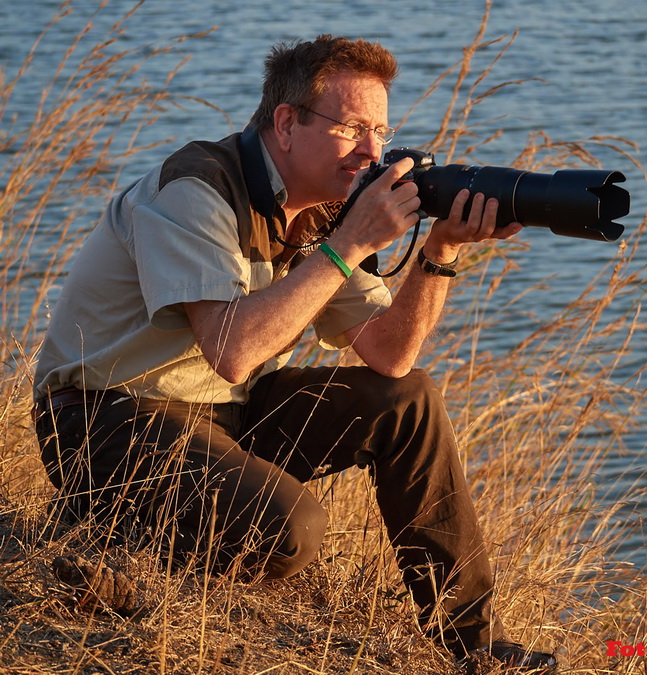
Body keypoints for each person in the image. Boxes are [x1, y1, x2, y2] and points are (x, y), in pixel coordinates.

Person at [32, 35, 559, 672]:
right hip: (103, 417)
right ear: (287, 123)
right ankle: (114, 544)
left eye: (383, 132)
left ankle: (477, 646)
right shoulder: (195, 188)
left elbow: (390, 354)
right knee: (291, 529)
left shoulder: (323, 209)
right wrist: (350, 244)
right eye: (354, 129)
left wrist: (440, 251)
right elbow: (231, 350)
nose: (373, 152)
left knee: (408, 398)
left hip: (224, 414)